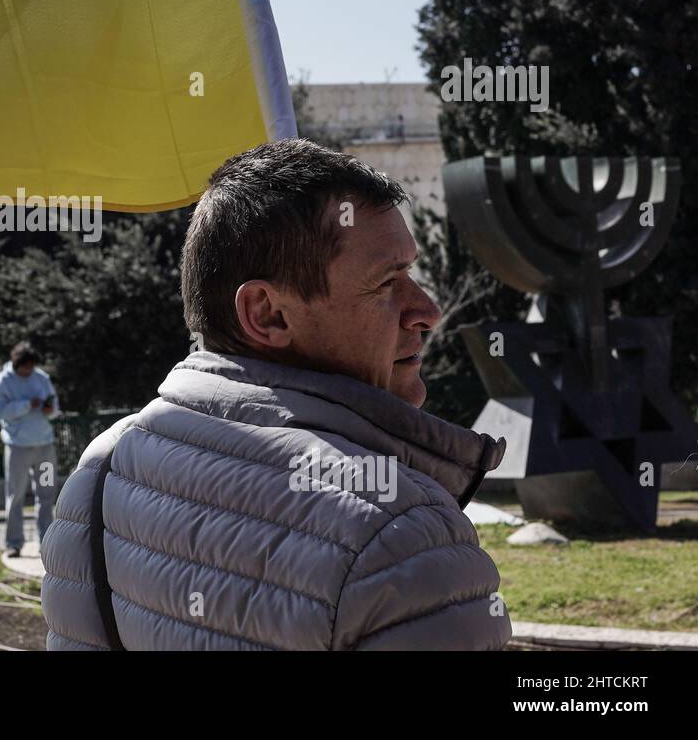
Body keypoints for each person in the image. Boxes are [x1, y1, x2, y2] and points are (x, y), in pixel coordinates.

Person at [40, 138, 510, 650]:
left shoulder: (99, 473)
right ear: (267, 314)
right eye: (386, 282)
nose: (427, 309)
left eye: (411, 273)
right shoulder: (401, 536)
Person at [0, 342, 60, 557]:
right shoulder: (3, 381)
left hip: (44, 447)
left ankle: (46, 541)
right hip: (18, 448)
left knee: (47, 495)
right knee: (16, 496)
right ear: (15, 364)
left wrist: (50, 409)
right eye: (25, 368)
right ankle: (14, 543)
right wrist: (26, 405)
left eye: (31, 367)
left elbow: (55, 409)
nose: (28, 372)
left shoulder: (41, 378)